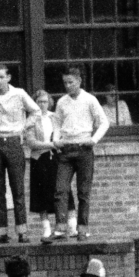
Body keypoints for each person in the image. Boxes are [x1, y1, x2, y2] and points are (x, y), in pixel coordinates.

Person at [0, 64, 41, 243]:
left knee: (17, 188)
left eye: (1, 77)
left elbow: (36, 111)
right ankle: (1, 232)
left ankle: (22, 231)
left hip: (13, 142)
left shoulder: (19, 94)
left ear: (9, 77)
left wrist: (23, 128)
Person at [53, 67, 109, 242]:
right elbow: (56, 123)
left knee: (83, 192)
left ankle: (82, 229)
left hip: (84, 149)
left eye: (71, 82)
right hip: (66, 150)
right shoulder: (61, 102)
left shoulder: (90, 100)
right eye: (65, 83)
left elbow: (103, 122)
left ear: (79, 81)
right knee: (60, 190)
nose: (68, 86)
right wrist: (56, 139)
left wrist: (93, 140)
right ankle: (61, 228)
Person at [25, 88, 63, 243]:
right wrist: (52, 144)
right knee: (41, 194)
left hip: (54, 159)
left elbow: (62, 136)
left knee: (59, 190)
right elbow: (31, 142)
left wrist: (55, 146)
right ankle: (46, 228)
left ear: (50, 102)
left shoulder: (55, 117)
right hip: (39, 159)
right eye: (39, 101)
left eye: (45, 101)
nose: (42, 104)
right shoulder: (31, 119)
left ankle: (64, 227)